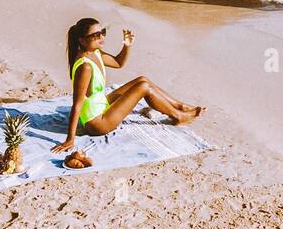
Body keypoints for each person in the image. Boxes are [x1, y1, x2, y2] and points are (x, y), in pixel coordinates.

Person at [52, 17, 204, 154]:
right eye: (96, 35)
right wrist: (70, 139)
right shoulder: (85, 67)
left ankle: (179, 106)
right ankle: (178, 117)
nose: (102, 37)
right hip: (97, 123)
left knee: (142, 80)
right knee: (143, 87)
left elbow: (118, 63)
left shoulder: (95, 53)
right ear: (82, 40)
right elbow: (77, 103)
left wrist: (127, 45)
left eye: (102, 32)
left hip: (101, 105)